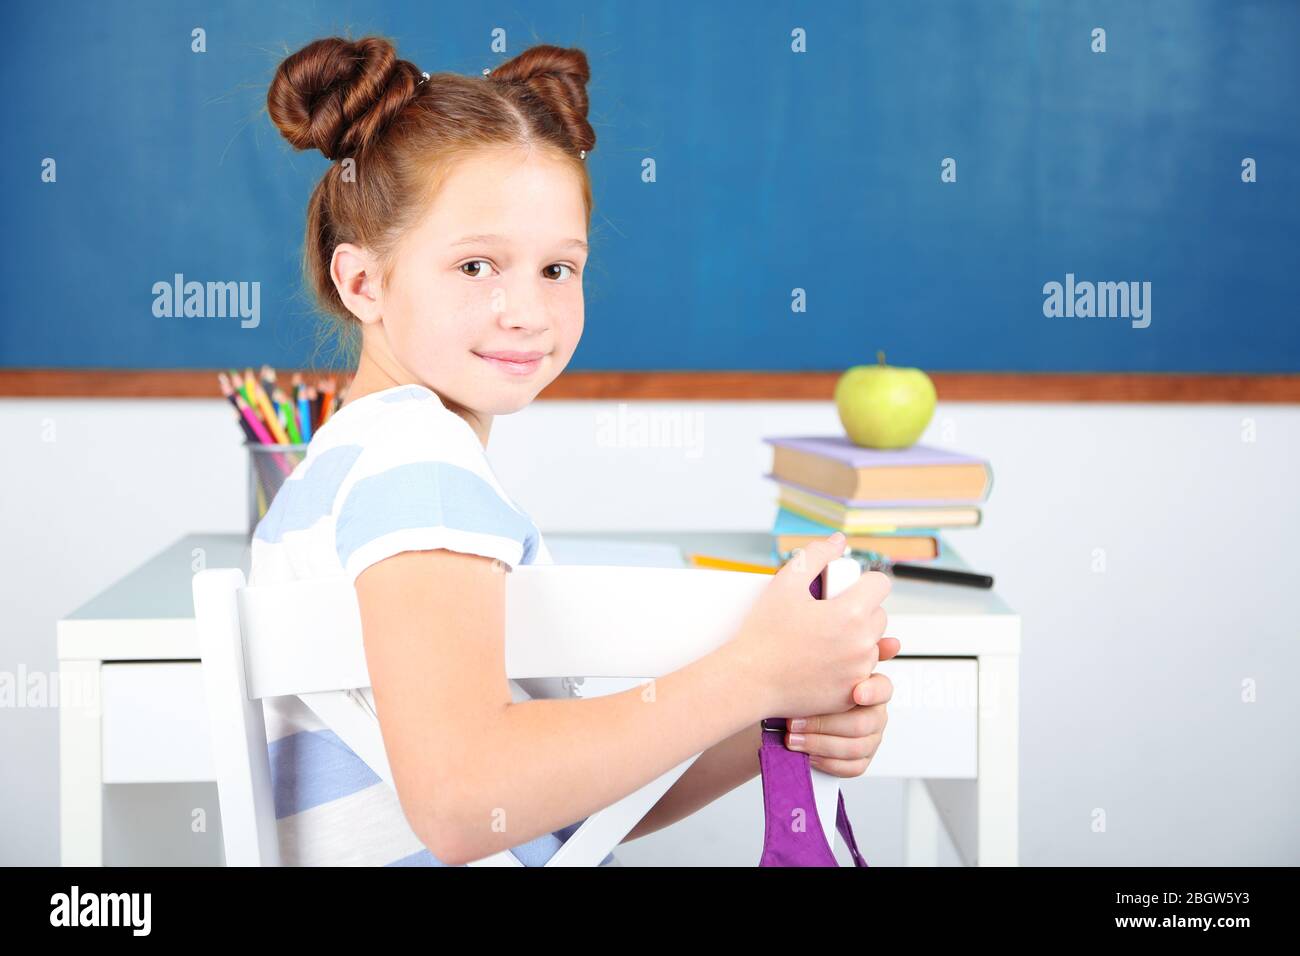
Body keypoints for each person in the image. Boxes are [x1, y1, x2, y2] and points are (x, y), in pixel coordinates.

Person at [251, 34, 897, 866]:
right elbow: (463, 801)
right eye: (477, 264)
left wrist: (779, 719)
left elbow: (549, 808)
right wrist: (753, 675)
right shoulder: (418, 461)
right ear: (363, 282)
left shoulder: (361, 457)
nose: (526, 309)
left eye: (559, 269)